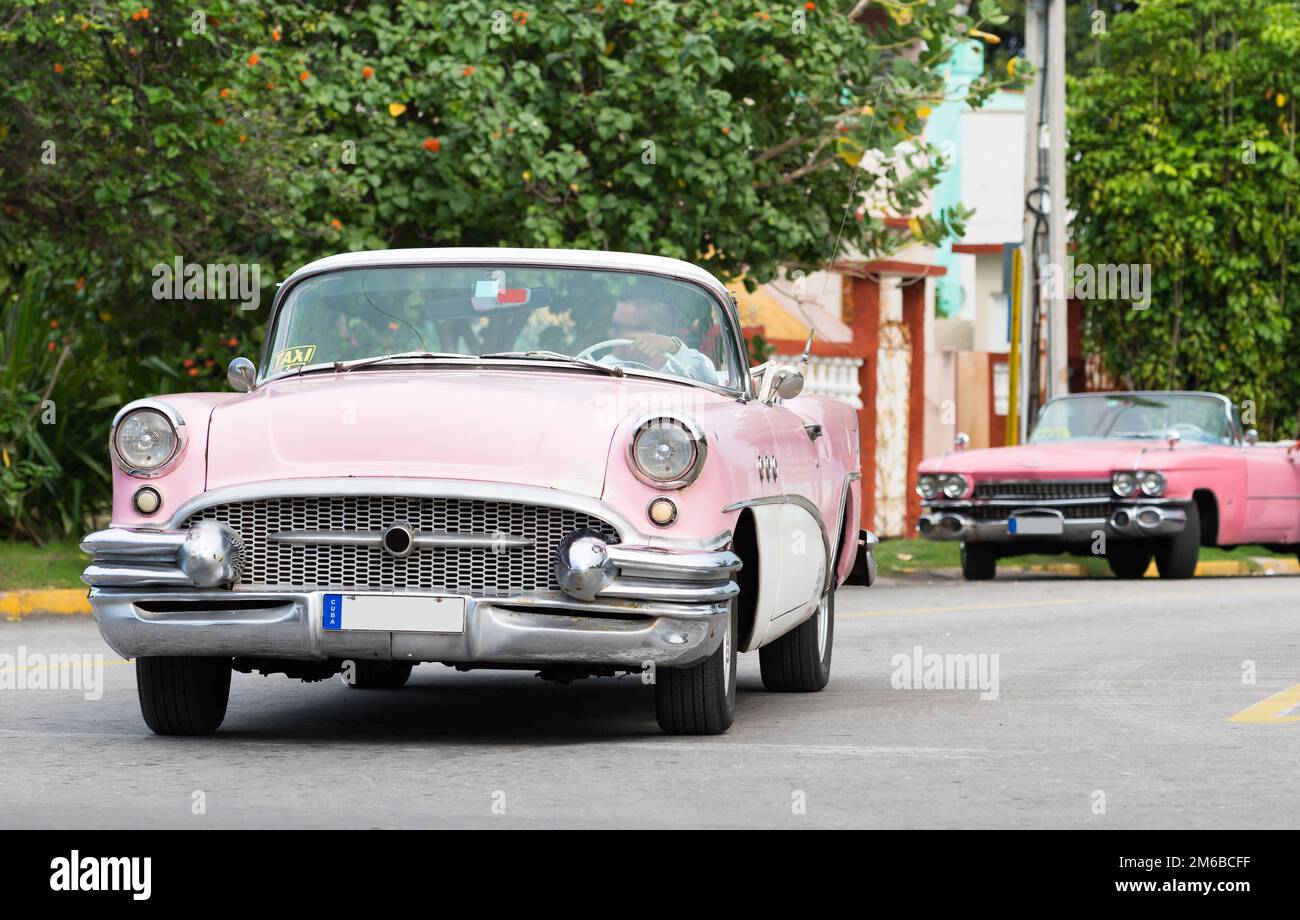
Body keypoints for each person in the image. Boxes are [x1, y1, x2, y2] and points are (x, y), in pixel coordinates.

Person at [603, 296, 719, 383]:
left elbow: (709, 378)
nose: (611, 333)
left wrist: (674, 346)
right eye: (614, 326)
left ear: (650, 332)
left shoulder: (681, 368)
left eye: (620, 328)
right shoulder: (607, 364)